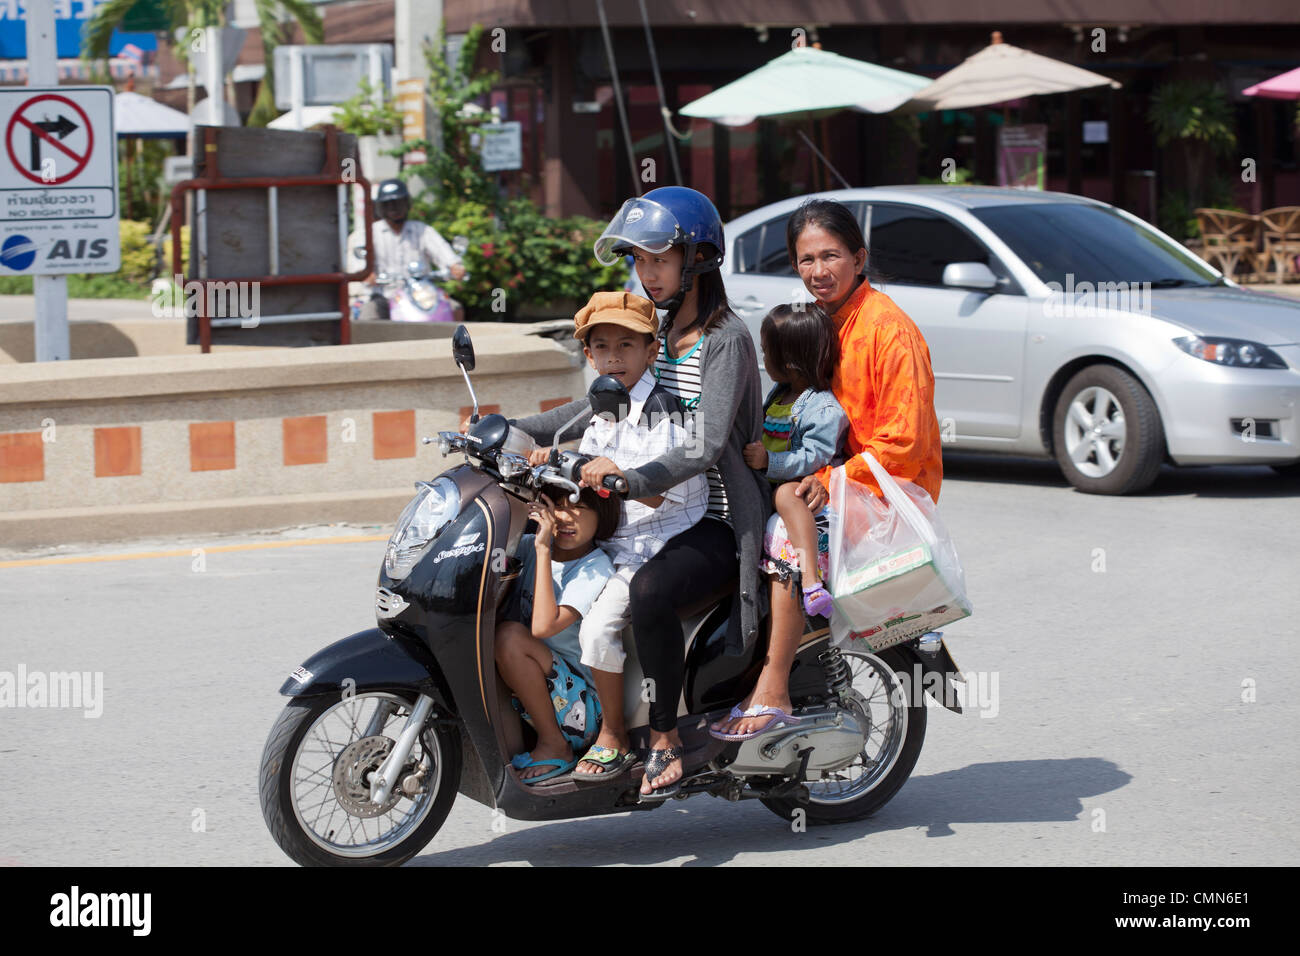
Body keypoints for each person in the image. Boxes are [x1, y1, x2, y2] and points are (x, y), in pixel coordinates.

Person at [517, 186, 770, 799]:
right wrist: (521, 428)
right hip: (646, 513)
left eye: (659, 259)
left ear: (697, 260)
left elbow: (707, 446)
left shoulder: (725, 341)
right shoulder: (652, 330)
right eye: (638, 260)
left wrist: (632, 480)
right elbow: (598, 399)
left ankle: (662, 738)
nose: (647, 273)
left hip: (714, 516)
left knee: (652, 591)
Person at [711, 197, 944, 740]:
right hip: (826, 482)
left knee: (784, 542)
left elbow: (903, 443)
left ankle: (772, 686)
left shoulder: (889, 330)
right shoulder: (825, 323)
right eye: (806, 259)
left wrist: (830, 479)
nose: (818, 271)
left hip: (882, 495)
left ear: (859, 259)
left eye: (831, 256)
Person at [526, 290, 709, 781]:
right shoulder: (602, 407)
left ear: (652, 351)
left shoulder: (666, 411)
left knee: (596, 627)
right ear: (587, 355)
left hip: (654, 546)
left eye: (627, 345)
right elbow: (580, 466)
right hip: (611, 542)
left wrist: (615, 472)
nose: (613, 356)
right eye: (601, 346)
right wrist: (550, 457)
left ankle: (613, 733)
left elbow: (655, 494)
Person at [495, 486, 620, 783]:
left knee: (509, 637)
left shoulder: (595, 567)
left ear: (601, 516)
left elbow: (543, 627)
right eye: (556, 507)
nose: (564, 517)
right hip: (541, 688)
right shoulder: (528, 544)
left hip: (582, 710)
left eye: (578, 508)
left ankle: (555, 744)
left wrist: (543, 549)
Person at [740, 303, 848, 630]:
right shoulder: (780, 393)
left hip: (797, 484)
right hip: (767, 482)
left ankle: (812, 583)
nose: (762, 359)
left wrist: (769, 461)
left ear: (788, 361)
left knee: (788, 494)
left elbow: (816, 454)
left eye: (765, 352)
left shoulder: (822, 407)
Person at [347, 178, 466, 322]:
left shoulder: (423, 230)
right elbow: (358, 267)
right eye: (388, 204)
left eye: (398, 203)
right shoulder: (366, 234)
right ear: (379, 207)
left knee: (454, 309)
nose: (394, 208)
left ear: (407, 204)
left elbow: (445, 254)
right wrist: (367, 275)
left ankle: (456, 344)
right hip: (383, 296)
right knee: (368, 317)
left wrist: (455, 267)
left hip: (421, 295)